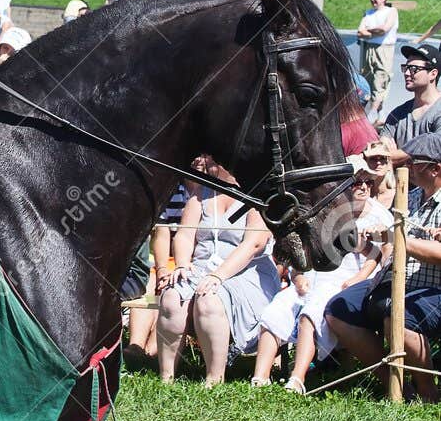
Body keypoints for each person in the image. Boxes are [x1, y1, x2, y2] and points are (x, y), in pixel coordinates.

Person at [251, 162, 391, 392]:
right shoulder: (329, 213)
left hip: (344, 282)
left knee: (311, 312)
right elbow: (300, 255)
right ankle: (260, 377)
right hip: (313, 277)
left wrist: (358, 278)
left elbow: (377, 255)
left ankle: (297, 379)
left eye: (369, 182)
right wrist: (297, 277)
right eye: (358, 182)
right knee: (277, 309)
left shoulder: (372, 217)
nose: (364, 187)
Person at [326, 130, 441, 401]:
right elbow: (390, 241)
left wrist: (396, 239)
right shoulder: (410, 197)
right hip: (392, 279)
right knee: (338, 310)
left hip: (433, 289)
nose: (408, 169)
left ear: (436, 168)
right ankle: (396, 384)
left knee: (398, 318)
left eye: (415, 164)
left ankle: (428, 393)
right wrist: (379, 239)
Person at [156, 157, 280, 386]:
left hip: (246, 272)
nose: (210, 165)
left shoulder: (256, 195)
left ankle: (214, 379)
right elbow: (184, 234)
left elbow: (254, 243)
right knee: (172, 297)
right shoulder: (201, 193)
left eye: (215, 160)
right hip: (202, 267)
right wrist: (182, 264)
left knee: (209, 299)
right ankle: (167, 378)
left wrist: (217, 276)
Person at [383, 43, 441, 148]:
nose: (407, 73)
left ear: (433, 74)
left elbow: (435, 149)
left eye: (414, 69)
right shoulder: (398, 114)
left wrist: (396, 156)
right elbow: (381, 150)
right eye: (406, 67)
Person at [357, 0, 398, 118]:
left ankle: (373, 115)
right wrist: (375, 31)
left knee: (381, 80)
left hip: (384, 48)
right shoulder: (368, 13)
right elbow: (360, 31)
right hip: (368, 48)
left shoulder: (391, 11)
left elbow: (385, 29)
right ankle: (375, 115)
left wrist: (369, 31)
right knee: (366, 80)